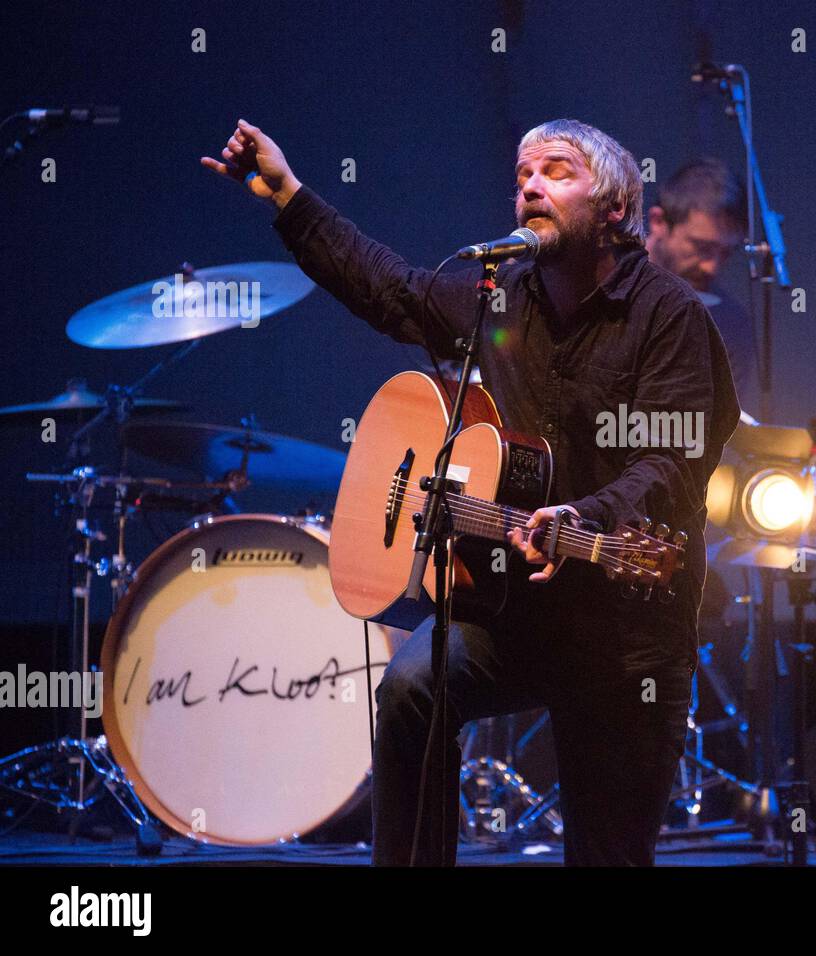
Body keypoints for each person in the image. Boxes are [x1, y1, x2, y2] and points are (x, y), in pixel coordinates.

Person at [202, 117, 740, 865]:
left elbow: (673, 463)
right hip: (511, 609)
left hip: (626, 625)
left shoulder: (667, 316)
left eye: (556, 170)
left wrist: (585, 516)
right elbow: (393, 290)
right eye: (523, 173)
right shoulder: (501, 295)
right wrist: (289, 196)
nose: (529, 185)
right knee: (412, 686)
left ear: (614, 207)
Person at [646, 158, 758, 410]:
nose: (712, 266)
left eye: (726, 253)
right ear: (658, 222)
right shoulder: (602, 282)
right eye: (701, 247)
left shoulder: (729, 323)